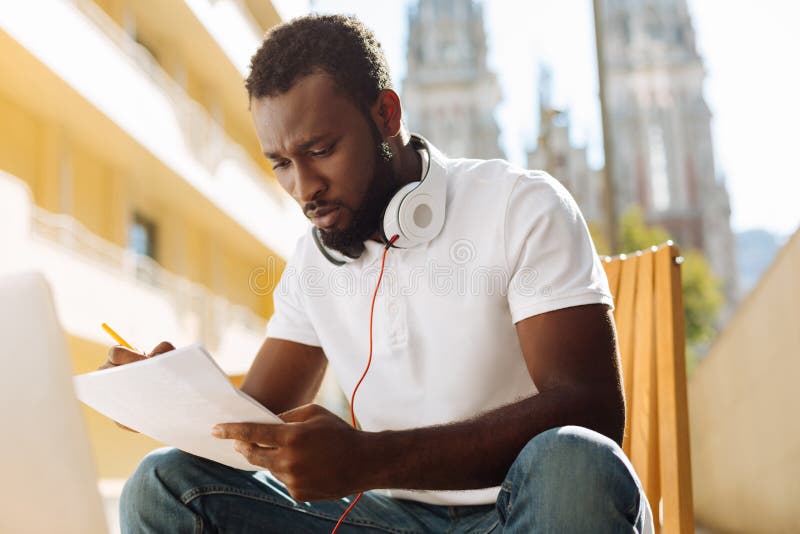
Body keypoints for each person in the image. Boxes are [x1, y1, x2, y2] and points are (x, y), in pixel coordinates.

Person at [110, 14, 654, 533]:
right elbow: (255, 418)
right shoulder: (312, 262)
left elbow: (591, 411)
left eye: (320, 150)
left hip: (521, 512)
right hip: (385, 520)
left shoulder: (520, 205)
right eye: (280, 163)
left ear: (386, 116)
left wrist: (370, 459)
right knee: (164, 483)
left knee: (576, 461)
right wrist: (173, 398)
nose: (303, 188)